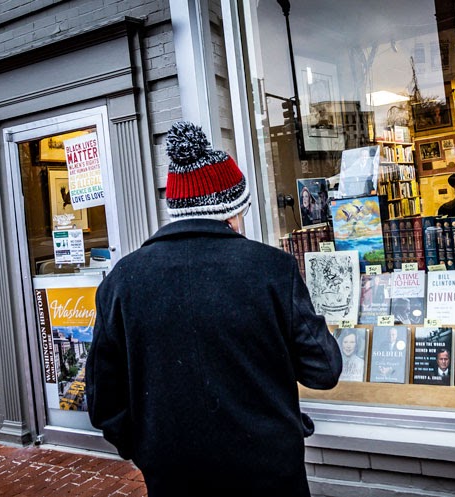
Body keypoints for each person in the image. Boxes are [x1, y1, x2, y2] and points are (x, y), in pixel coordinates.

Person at [85, 121, 342, 497]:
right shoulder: (271, 268)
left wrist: (146, 449)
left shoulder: (122, 280)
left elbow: (103, 401)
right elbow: (324, 370)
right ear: (232, 213)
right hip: (269, 471)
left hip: (172, 476)